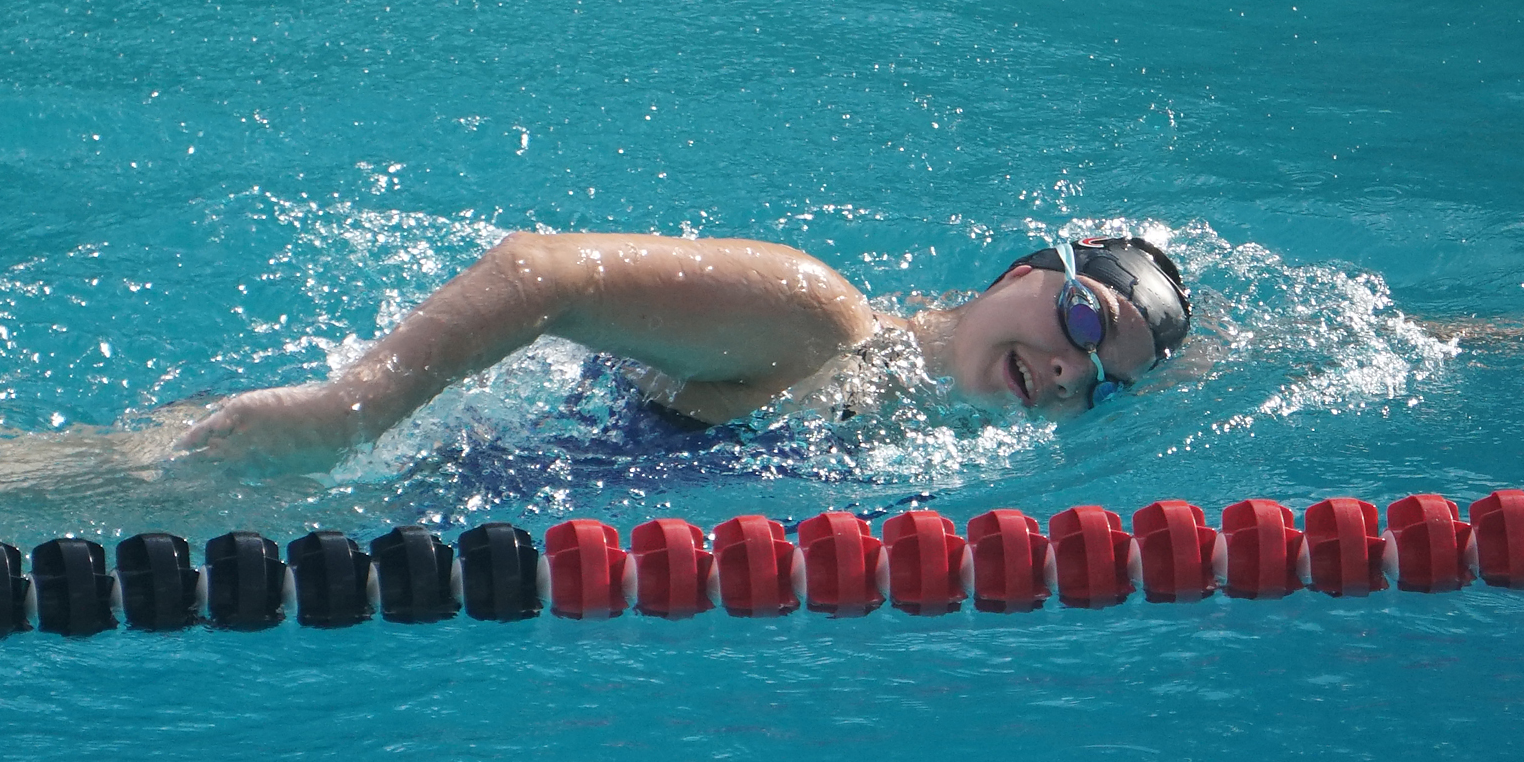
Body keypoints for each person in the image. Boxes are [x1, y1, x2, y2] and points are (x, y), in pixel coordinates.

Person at [177, 230, 1191, 473]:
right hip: (386, 455)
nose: (1071, 370)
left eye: (1103, 387)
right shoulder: (820, 324)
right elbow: (541, 272)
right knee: (90, 485)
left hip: (457, 493)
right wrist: (346, 408)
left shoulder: (903, 419)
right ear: (1018, 276)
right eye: (1084, 322)